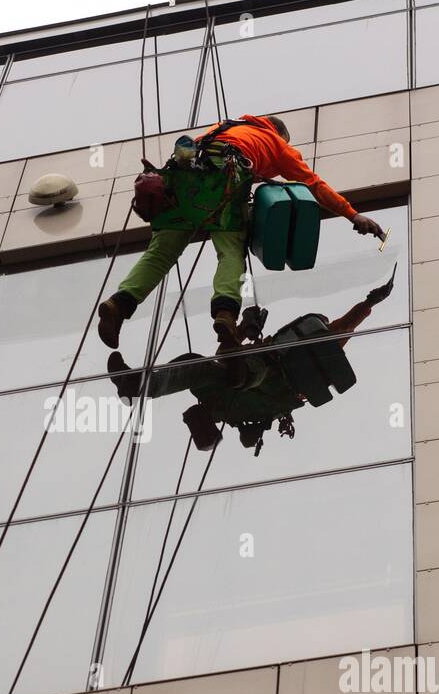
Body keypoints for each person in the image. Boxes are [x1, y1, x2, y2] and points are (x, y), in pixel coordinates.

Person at [97, 113, 385, 352]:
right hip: (223, 182)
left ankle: (119, 304)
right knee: (231, 251)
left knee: (160, 253)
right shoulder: (275, 142)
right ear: (279, 133)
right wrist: (352, 214)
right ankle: (225, 314)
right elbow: (312, 184)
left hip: (182, 184)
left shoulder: (222, 129)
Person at [107, 265, 396, 453]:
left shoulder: (314, 348)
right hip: (248, 389)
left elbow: (345, 325)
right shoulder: (292, 348)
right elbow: (226, 356)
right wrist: (245, 332)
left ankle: (142, 385)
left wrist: (369, 303)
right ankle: (138, 385)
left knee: (226, 369)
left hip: (260, 384)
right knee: (201, 365)